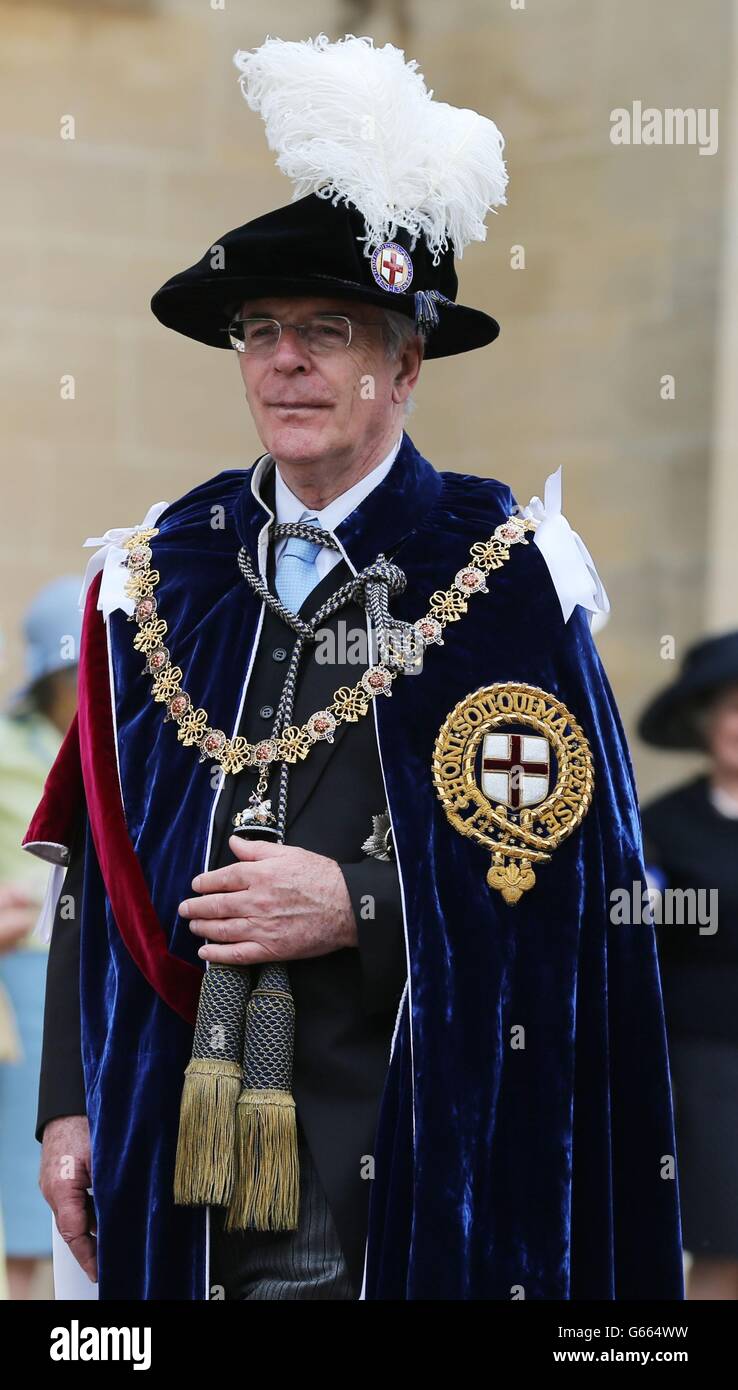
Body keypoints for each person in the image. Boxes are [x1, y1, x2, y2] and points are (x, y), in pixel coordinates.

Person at [27, 33, 683, 1301]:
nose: (285, 361)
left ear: (406, 361)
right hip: (172, 1151)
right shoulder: (157, 574)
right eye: (260, 331)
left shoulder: (504, 575)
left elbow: (575, 879)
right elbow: (91, 873)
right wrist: (65, 1106)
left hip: (400, 1148)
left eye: (328, 329)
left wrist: (364, 903)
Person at [638, 631, 738, 1301]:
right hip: (709, 1071)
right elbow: (633, 937)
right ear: (706, 727)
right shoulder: (663, 826)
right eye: (733, 710)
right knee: (725, 1247)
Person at [0, 577, 81, 1299]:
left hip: (87, 967)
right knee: (22, 1167)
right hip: (17, 975)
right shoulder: (7, 746)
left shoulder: (122, 744)